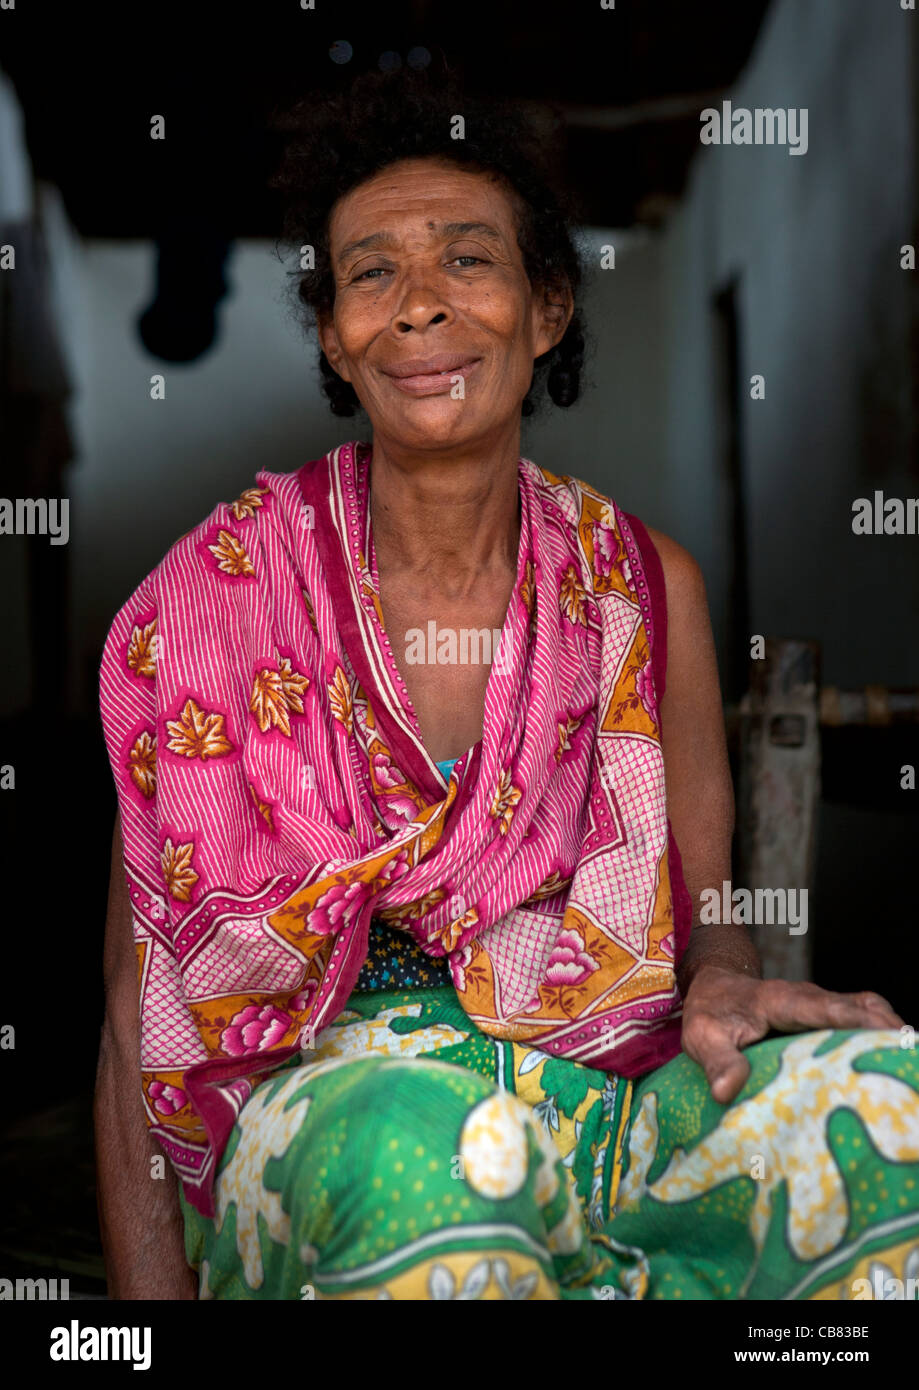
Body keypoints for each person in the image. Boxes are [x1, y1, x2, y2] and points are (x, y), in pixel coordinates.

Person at [95, 67, 919, 1301]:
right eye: (371, 272)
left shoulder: (643, 585)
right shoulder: (218, 590)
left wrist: (727, 976)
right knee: (441, 1162)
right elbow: (136, 1008)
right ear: (333, 332)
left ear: (546, 306)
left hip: (599, 1084)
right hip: (336, 1116)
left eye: (466, 262)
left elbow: (704, 909)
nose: (419, 305)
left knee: (882, 1102)